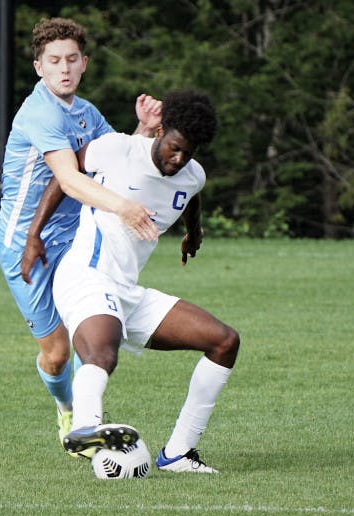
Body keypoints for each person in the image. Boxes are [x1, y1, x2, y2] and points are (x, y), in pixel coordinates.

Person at [0, 17, 160, 457]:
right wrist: (122, 207)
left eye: (71, 59)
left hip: (76, 239)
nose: (63, 68)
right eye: (54, 61)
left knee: (90, 326)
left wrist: (142, 132)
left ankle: (87, 424)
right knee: (55, 353)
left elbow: (115, 157)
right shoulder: (40, 113)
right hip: (24, 244)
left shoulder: (86, 113)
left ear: (84, 63)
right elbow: (68, 178)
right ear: (38, 68)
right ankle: (66, 406)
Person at [50, 91, 240, 473]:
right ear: (161, 132)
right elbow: (66, 176)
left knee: (224, 342)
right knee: (102, 352)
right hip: (85, 274)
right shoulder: (118, 149)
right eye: (175, 148)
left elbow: (190, 196)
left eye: (188, 153)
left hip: (127, 292)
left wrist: (194, 231)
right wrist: (35, 237)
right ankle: (87, 427)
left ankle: (178, 453)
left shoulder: (193, 174)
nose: (179, 159)